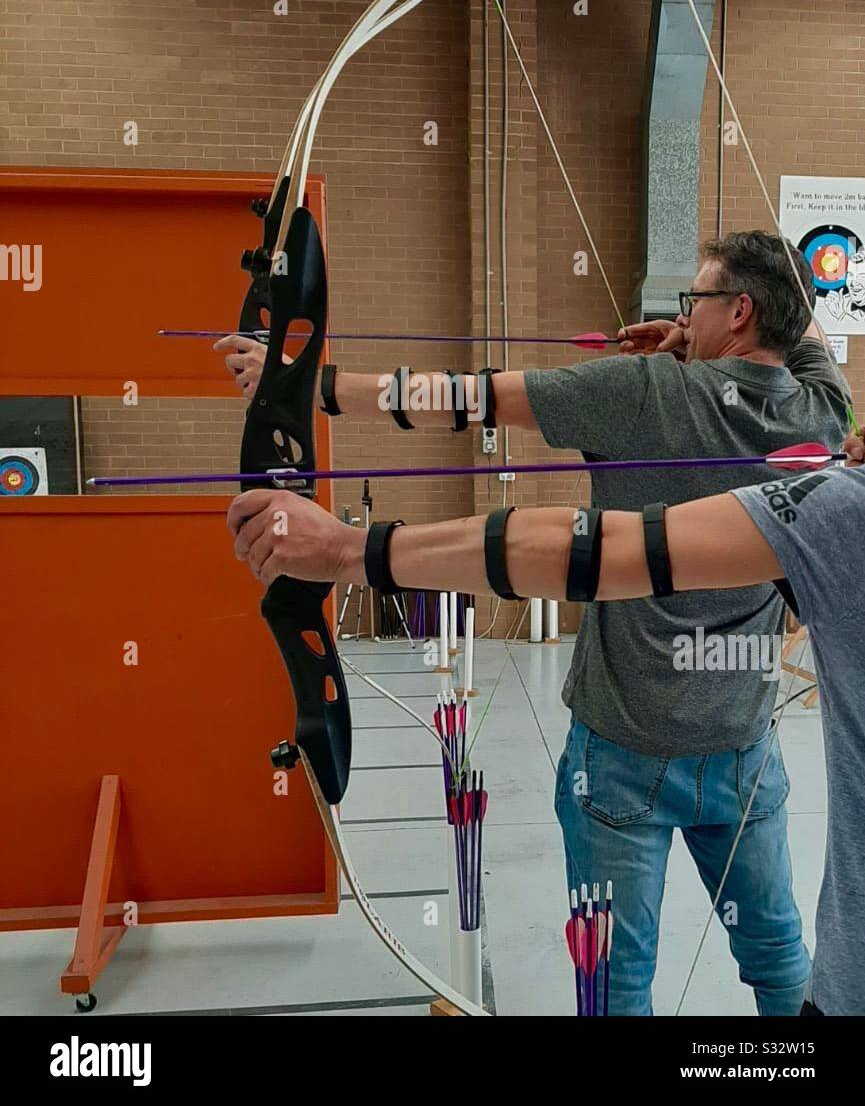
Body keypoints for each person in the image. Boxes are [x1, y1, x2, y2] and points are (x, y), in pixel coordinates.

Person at [221, 230, 851, 1015]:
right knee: (776, 953)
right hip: (743, 749)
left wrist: (308, 384)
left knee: (616, 981)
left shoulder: (642, 390)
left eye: (695, 299)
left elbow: (467, 398)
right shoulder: (823, 415)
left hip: (623, 749)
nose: (681, 315)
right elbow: (808, 332)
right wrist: (699, 338)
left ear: (739, 310)